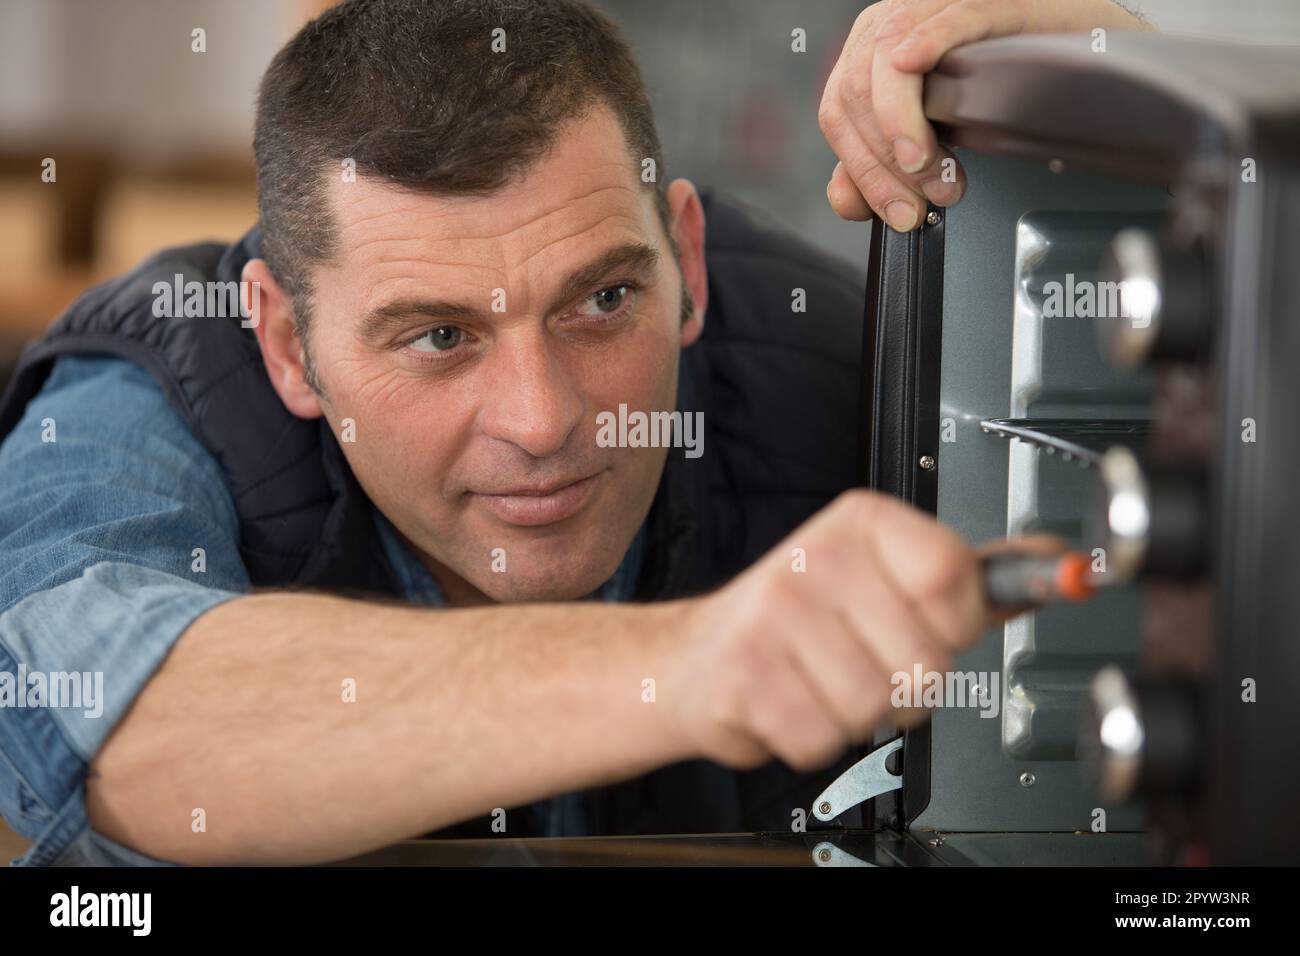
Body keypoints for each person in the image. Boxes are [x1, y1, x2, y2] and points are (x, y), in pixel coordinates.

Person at [0, 0, 1152, 866]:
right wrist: (690, 664)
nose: (543, 418)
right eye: (437, 336)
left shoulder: (861, 373)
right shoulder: (135, 405)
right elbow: (107, 723)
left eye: (603, 300)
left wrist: (1127, 117)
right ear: (290, 345)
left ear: (684, 258)